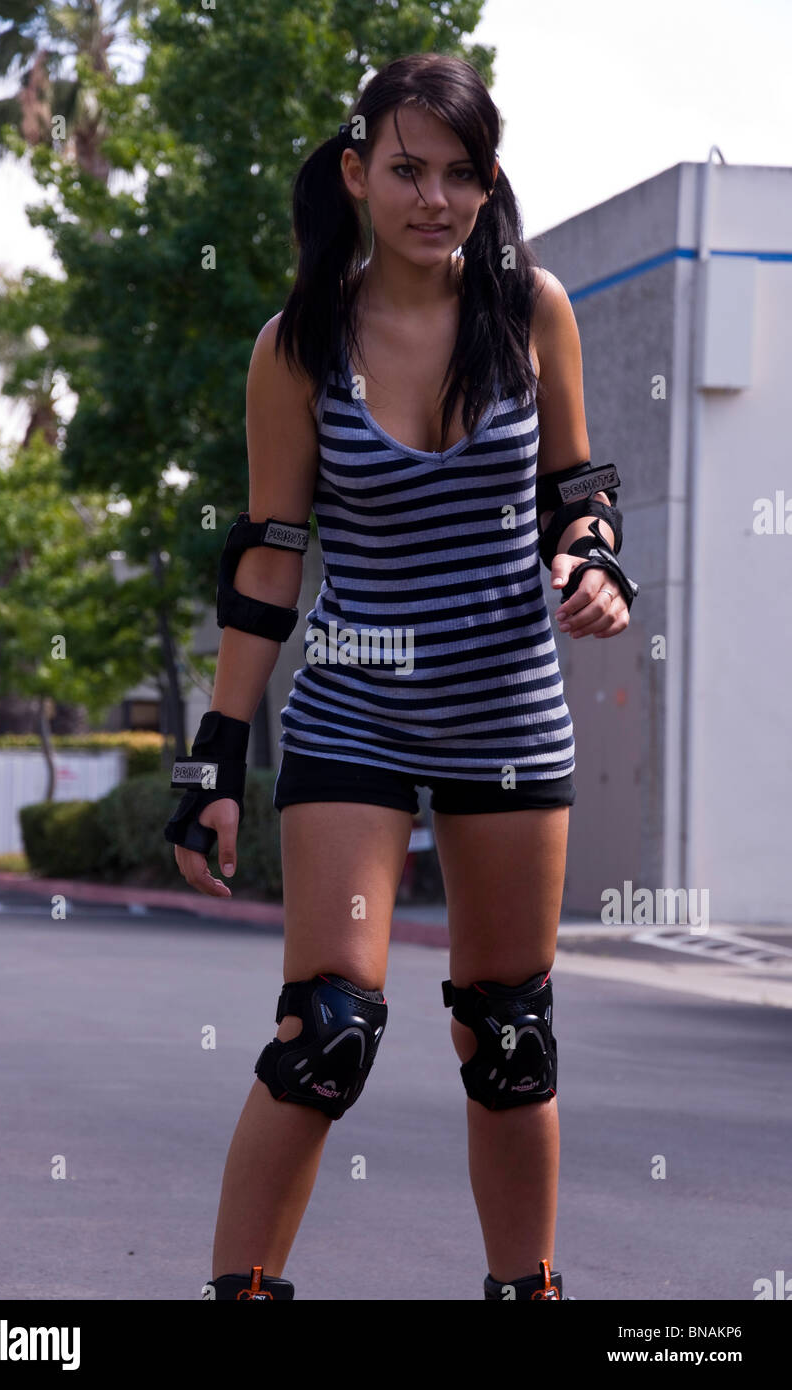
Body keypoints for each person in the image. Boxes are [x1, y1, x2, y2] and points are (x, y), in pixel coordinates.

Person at [164, 52, 638, 1302]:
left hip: (506, 715)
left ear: (488, 181)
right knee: (326, 1028)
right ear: (357, 171)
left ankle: (523, 1293)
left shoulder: (531, 310)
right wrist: (209, 758)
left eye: (460, 173)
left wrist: (594, 565)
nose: (434, 198)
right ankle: (240, 1293)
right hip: (354, 714)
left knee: (509, 1037)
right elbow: (269, 560)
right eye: (406, 170)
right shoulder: (298, 346)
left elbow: (578, 496)